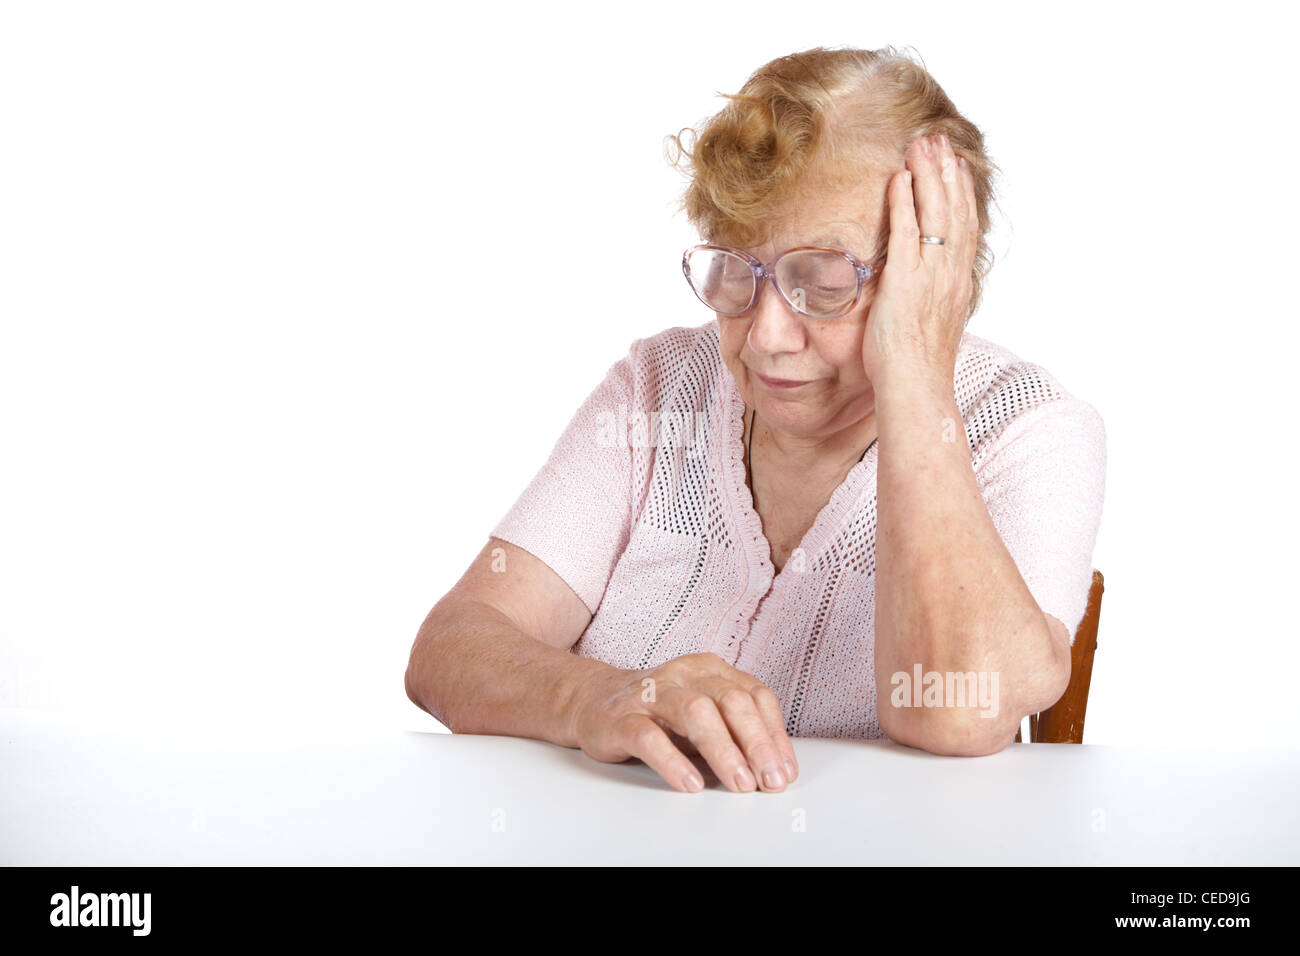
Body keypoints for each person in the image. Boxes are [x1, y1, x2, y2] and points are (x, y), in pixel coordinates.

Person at [405, 45, 1106, 794]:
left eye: (825, 278)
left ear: (931, 276)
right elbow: (451, 648)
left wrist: (913, 373)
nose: (766, 334)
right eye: (739, 269)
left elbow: (960, 712)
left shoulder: (1030, 427)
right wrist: (599, 696)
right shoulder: (658, 391)